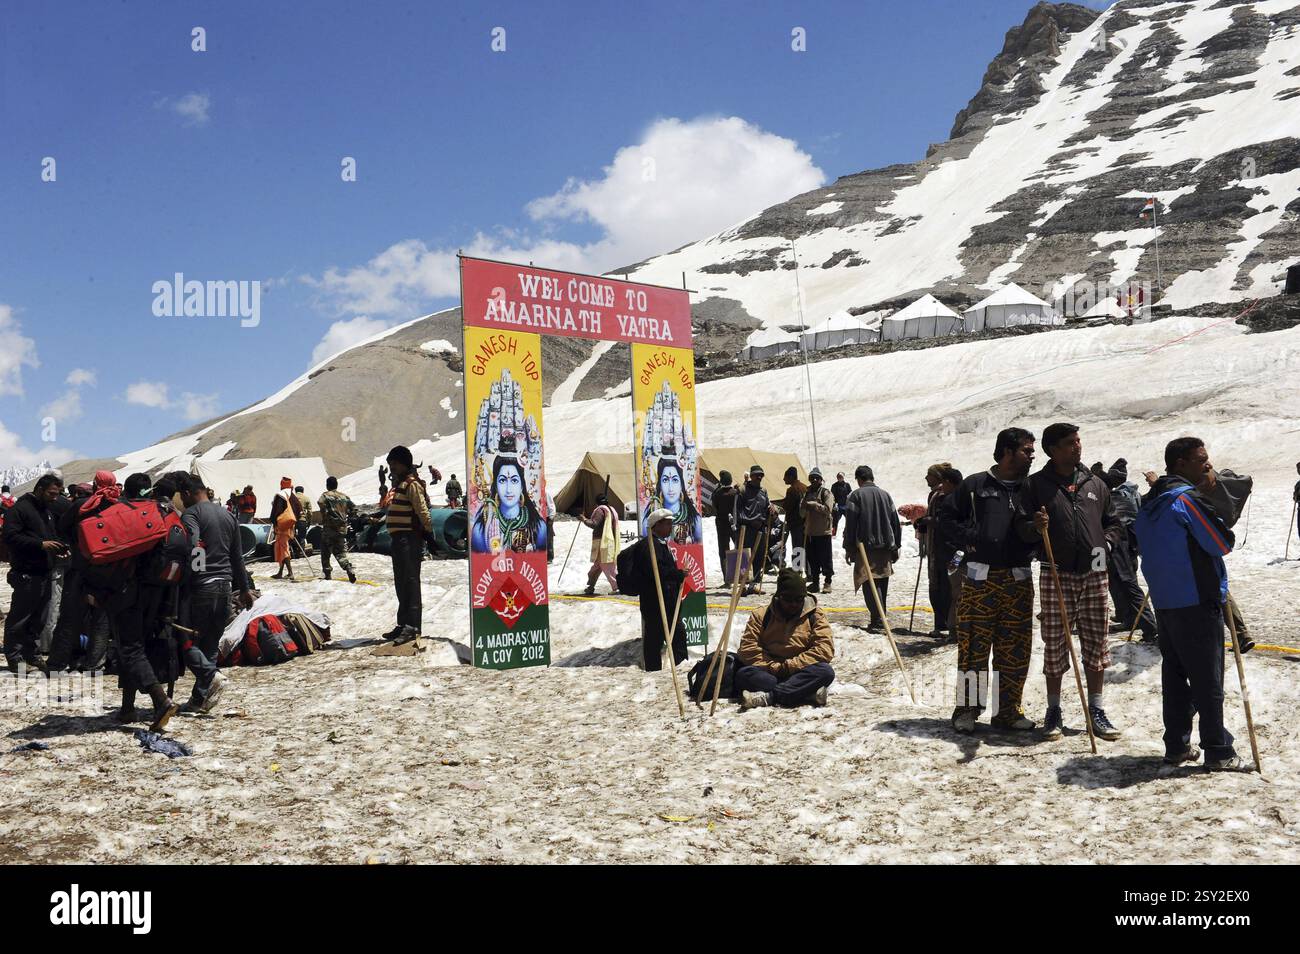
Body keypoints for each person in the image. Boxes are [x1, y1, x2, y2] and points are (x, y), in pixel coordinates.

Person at [1134, 438, 1252, 772]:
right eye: (1201, 459)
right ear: (1181, 463)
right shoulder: (1186, 501)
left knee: (1175, 678)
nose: (1208, 465)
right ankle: (1219, 750)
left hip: (1166, 603)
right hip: (1198, 601)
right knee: (1207, 680)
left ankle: (1176, 746)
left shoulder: (1148, 504)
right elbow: (1220, 543)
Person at [1018, 423, 1125, 742]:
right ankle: (1053, 710)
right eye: (1068, 443)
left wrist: (1106, 543)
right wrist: (1034, 527)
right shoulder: (1036, 484)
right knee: (1055, 642)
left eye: (1078, 441)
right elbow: (1021, 528)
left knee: (1097, 641)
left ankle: (1096, 709)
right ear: (1052, 449)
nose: (1076, 447)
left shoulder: (1095, 483)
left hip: (1095, 570)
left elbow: (1114, 523)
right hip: (1056, 569)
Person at [938, 431, 1037, 732]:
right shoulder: (975, 485)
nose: (1032, 456)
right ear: (1007, 452)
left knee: (1015, 648)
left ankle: (1008, 710)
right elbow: (947, 518)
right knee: (974, 648)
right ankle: (967, 709)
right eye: (1026, 451)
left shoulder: (1031, 488)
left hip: (1018, 579)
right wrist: (971, 539)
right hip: (980, 580)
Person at [174, 472, 254, 713]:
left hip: (202, 587)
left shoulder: (192, 514)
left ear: (188, 493)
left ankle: (211, 676)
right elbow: (236, 557)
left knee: (184, 640)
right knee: (209, 645)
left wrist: (195, 573)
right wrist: (244, 589)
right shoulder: (228, 515)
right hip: (225, 587)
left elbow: (195, 545)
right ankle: (199, 700)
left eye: (182, 497)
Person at [736, 568, 835, 709]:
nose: (793, 604)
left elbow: (824, 649)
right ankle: (805, 694)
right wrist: (773, 667)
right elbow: (748, 649)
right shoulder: (761, 615)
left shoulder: (815, 615)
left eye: (798, 600)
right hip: (769, 671)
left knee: (825, 672)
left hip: (800, 670)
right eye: (788, 600)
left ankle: (769, 697)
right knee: (743, 674)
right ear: (779, 597)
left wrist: (790, 666)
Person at [2, 473, 66, 672]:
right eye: (51, 493)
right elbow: (11, 537)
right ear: (40, 490)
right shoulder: (19, 509)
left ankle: (32, 654)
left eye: (57, 494)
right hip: (26, 573)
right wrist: (40, 544)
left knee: (39, 618)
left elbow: (49, 536)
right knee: (20, 618)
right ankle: (15, 658)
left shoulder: (45, 510)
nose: (55, 497)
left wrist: (59, 549)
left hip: (44, 572)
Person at [1101, 460, 1158, 642]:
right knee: (1114, 583)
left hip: (1119, 547)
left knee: (1127, 584)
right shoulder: (1128, 494)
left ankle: (1150, 626)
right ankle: (1127, 619)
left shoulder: (1119, 496)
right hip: (1118, 547)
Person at [842, 465, 901, 632]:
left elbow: (851, 523)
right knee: (882, 581)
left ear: (859, 479)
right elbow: (895, 522)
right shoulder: (885, 495)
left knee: (869, 583)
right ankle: (880, 618)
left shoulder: (856, 495)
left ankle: (878, 620)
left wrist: (849, 547)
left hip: (865, 547)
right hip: (885, 547)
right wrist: (896, 545)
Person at [627, 508, 688, 671]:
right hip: (655, 602)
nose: (670, 527)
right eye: (667, 524)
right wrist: (677, 574)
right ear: (657, 525)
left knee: (677, 634)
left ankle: (681, 666)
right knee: (655, 637)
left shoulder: (660, 544)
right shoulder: (648, 546)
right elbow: (656, 572)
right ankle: (653, 670)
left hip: (667, 601)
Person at [384, 445, 432, 643]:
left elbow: (422, 510)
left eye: (394, 464)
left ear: (404, 463)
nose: (392, 468)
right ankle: (403, 623)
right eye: (390, 464)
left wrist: (430, 534)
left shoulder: (412, 484)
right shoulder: (399, 485)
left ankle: (413, 626)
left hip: (409, 539)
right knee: (401, 582)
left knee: (411, 582)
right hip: (398, 540)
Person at [470, 446, 547, 554]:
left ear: (522, 486)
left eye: (514, 480)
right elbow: (481, 567)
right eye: (502, 480)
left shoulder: (538, 528)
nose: (508, 489)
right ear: (495, 486)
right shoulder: (481, 530)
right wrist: (494, 550)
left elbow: (538, 566)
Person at [918, 465, 963, 639]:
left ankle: (950, 626)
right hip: (941, 550)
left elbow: (947, 522)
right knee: (942, 586)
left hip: (951, 552)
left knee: (951, 587)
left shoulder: (949, 497)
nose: (926, 478)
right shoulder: (937, 495)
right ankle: (944, 623)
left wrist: (929, 521)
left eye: (929, 475)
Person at [641, 456, 702, 545]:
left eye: (675, 480)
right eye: (665, 480)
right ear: (660, 485)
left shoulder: (694, 520)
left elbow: (698, 548)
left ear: (681, 484)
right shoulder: (649, 521)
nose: (670, 488)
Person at [732, 465, 771, 595]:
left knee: (758, 557)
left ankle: (754, 584)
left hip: (759, 529)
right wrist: (741, 524)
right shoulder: (742, 490)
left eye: (761, 475)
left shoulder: (763, 491)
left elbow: (766, 507)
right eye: (756, 475)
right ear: (751, 476)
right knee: (744, 558)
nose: (759, 477)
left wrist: (768, 514)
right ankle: (743, 585)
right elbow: (737, 510)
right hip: (746, 528)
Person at [317, 476, 358, 583]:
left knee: (327, 550)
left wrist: (326, 514)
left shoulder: (325, 496)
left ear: (327, 485)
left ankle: (330, 573)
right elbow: (354, 508)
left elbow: (320, 502)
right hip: (341, 529)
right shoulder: (344, 497)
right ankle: (345, 568)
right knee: (338, 551)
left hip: (329, 529)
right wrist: (346, 516)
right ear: (336, 485)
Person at [800, 467, 835, 593]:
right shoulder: (807, 493)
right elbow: (802, 513)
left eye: (817, 478)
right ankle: (815, 583)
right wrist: (804, 507)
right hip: (810, 532)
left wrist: (814, 505)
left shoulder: (826, 493)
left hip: (823, 532)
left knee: (825, 558)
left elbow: (828, 509)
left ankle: (827, 582)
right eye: (812, 478)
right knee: (812, 559)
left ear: (821, 480)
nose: (814, 480)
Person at [579, 494, 619, 595]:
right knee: (597, 566)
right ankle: (591, 586)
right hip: (609, 540)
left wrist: (583, 519)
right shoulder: (611, 510)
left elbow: (594, 524)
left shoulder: (600, 510)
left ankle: (618, 586)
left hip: (603, 542)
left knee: (607, 565)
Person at [268, 478, 302, 580]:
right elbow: (299, 509)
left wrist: (275, 523)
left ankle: (290, 572)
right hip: (289, 525)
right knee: (281, 547)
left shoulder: (281, 495)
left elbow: (276, 511)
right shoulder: (292, 496)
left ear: (281, 485)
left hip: (282, 526)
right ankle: (280, 572)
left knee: (283, 548)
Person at [711, 470, 740, 586]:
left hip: (722, 526)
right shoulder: (735, 493)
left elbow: (715, 506)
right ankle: (742, 575)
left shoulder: (717, 494)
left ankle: (727, 580)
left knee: (723, 552)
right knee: (738, 548)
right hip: (734, 524)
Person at [778, 466, 808, 573]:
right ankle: (808, 571)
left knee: (797, 547)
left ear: (791, 477)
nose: (784, 479)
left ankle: (797, 569)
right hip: (805, 522)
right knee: (805, 546)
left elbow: (787, 506)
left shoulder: (792, 490)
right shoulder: (805, 487)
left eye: (785, 477)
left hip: (795, 523)